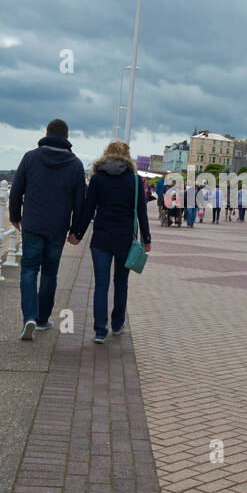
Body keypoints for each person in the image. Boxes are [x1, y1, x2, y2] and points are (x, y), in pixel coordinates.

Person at [9, 118, 86, 341]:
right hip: (57, 228)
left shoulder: (31, 157)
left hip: (32, 224)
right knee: (50, 273)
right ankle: (42, 319)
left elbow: (16, 190)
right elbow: (80, 200)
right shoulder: (75, 164)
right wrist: (76, 230)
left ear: (46, 133)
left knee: (29, 270)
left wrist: (15, 216)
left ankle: (29, 318)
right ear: (67, 137)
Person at [69, 140, 151, 344]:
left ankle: (99, 330)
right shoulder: (135, 180)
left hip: (101, 239)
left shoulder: (98, 179)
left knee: (101, 285)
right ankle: (116, 324)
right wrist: (147, 239)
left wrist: (76, 232)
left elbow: (88, 209)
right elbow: (141, 211)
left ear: (106, 154)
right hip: (125, 239)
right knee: (121, 283)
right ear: (127, 156)